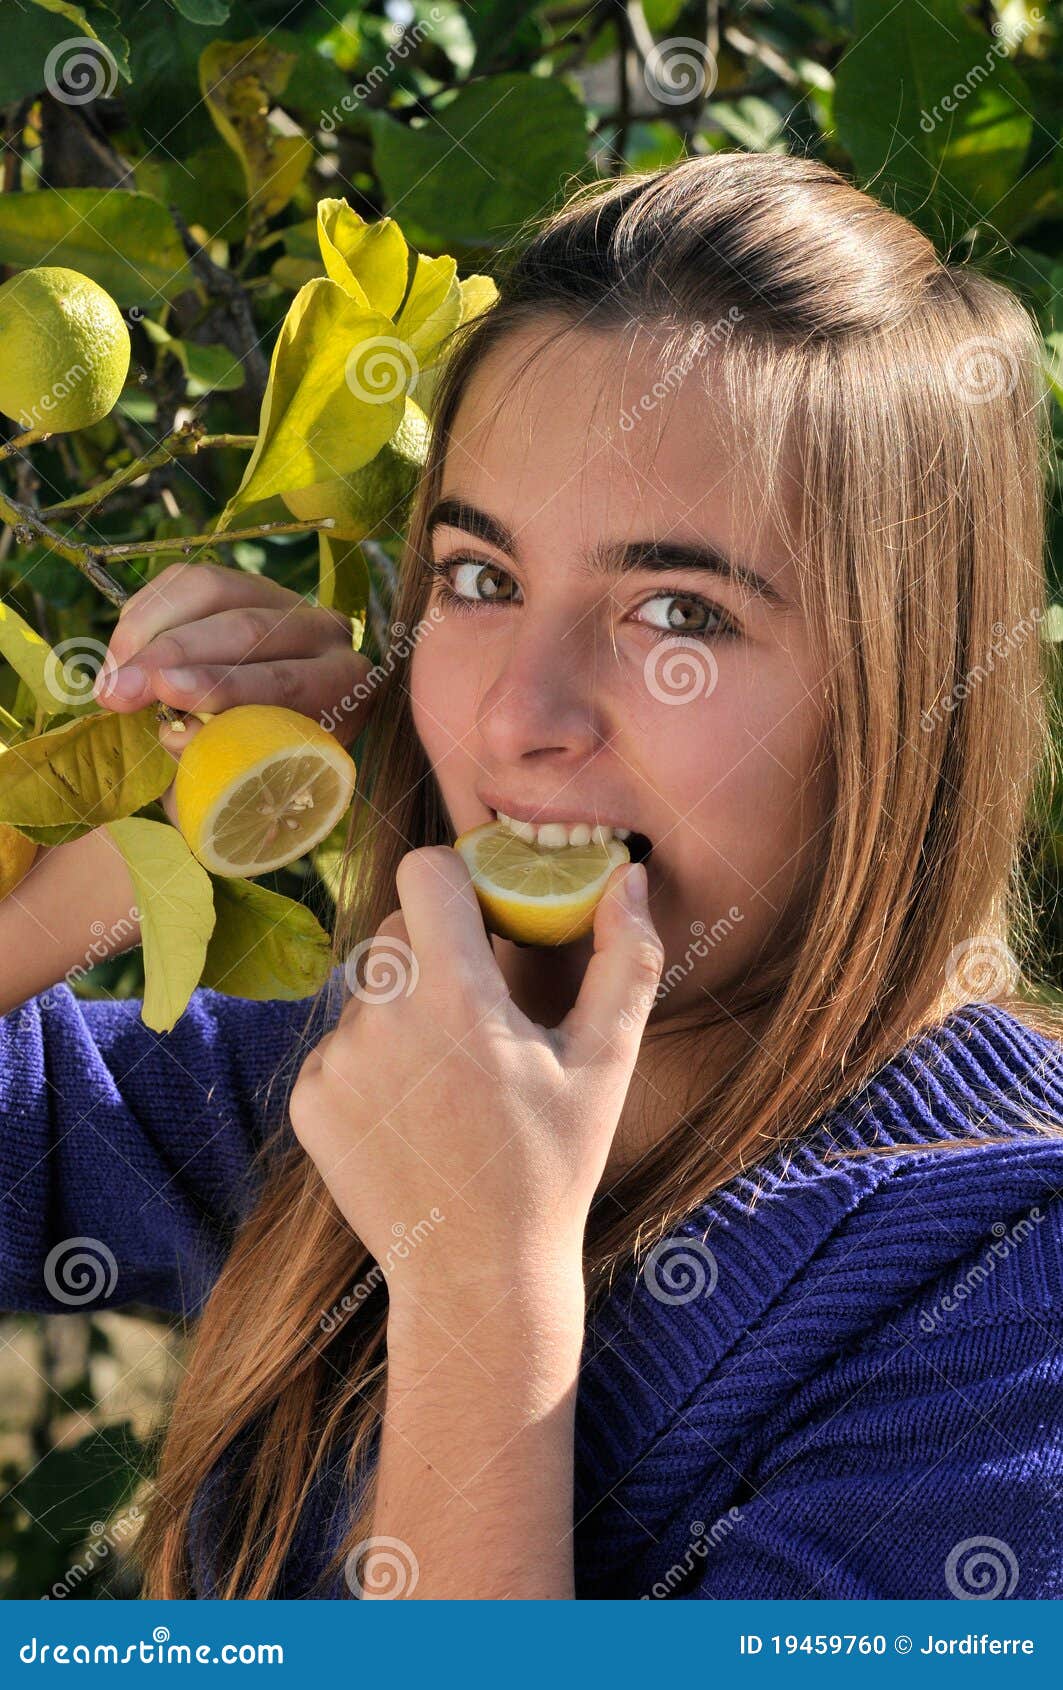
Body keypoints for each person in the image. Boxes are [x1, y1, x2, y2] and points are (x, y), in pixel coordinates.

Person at [2, 151, 1062, 1602]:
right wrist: (103, 836)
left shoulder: (1012, 1277)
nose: (517, 717)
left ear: (906, 696)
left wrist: (481, 1301)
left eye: (677, 610)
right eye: (480, 580)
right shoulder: (330, 1105)